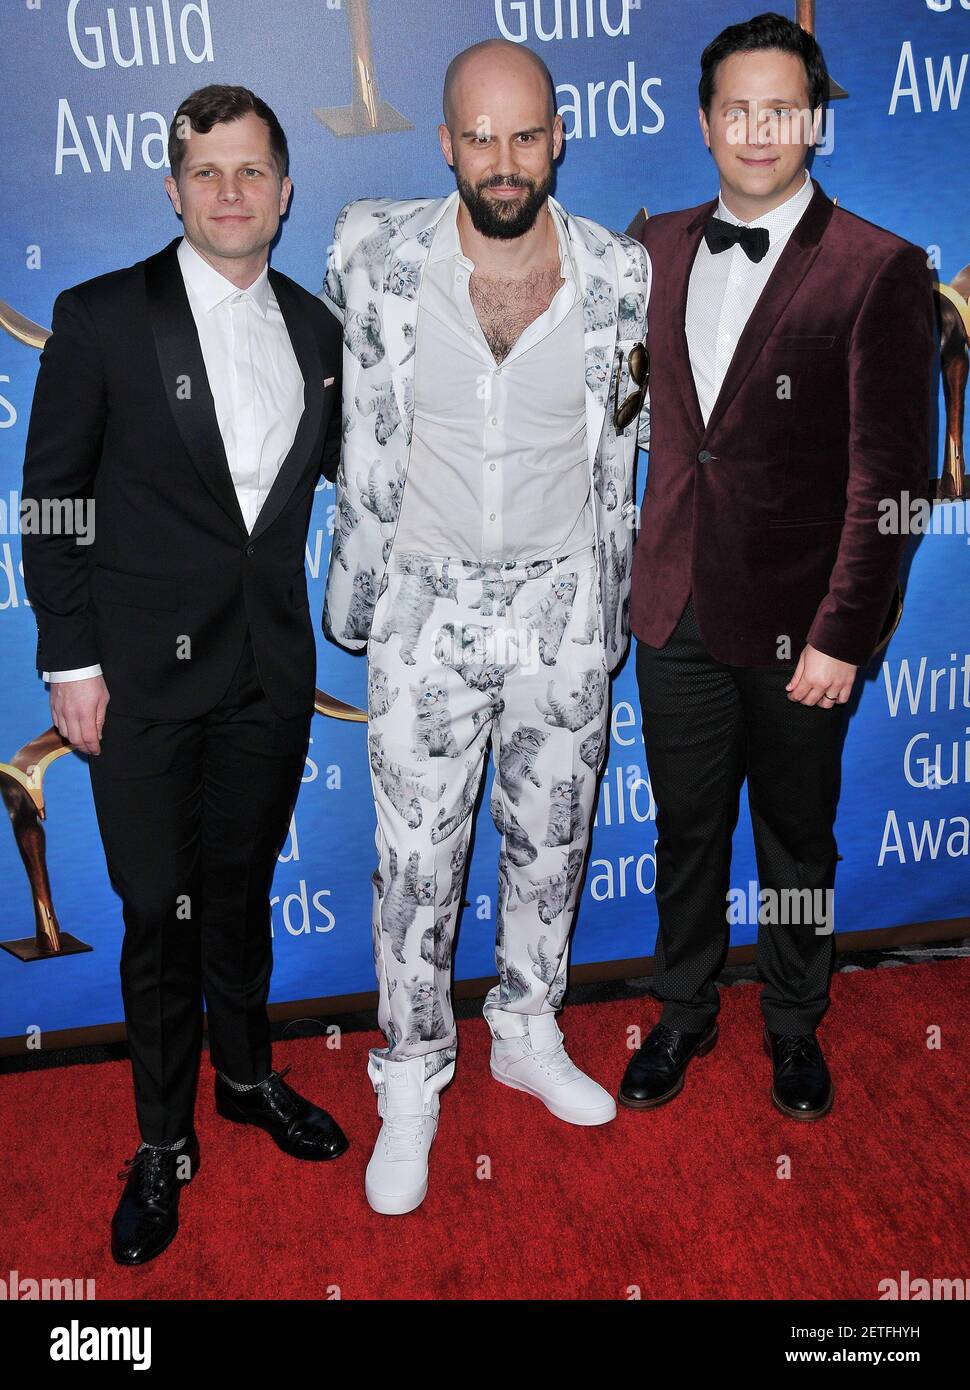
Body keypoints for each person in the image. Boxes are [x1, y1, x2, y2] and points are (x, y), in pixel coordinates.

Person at [21, 85, 348, 1266]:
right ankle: (161, 1140)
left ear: (285, 192)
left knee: (241, 895)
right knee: (157, 917)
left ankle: (248, 1079)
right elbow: (53, 501)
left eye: (251, 172)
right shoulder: (103, 316)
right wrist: (70, 660)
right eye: (205, 173)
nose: (228, 193)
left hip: (268, 675)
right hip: (139, 690)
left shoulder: (318, 333)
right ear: (170, 188)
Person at [321, 39, 651, 1214]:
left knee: (550, 845)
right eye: (479, 136)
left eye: (525, 136)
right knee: (415, 867)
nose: (503, 162)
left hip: (564, 596)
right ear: (445, 142)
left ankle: (524, 1028)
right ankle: (409, 1075)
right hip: (424, 598)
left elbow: (626, 444)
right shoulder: (371, 251)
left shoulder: (620, 274)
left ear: (559, 137)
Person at [620, 13, 935, 1121]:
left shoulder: (878, 268)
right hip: (671, 609)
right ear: (704, 120)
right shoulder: (649, 246)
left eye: (782, 108)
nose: (757, 130)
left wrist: (846, 633)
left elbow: (890, 478)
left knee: (795, 836)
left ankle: (794, 1024)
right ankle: (681, 1011)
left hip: (805, 623)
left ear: (815, 122)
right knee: (685, 827)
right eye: (735, 108)